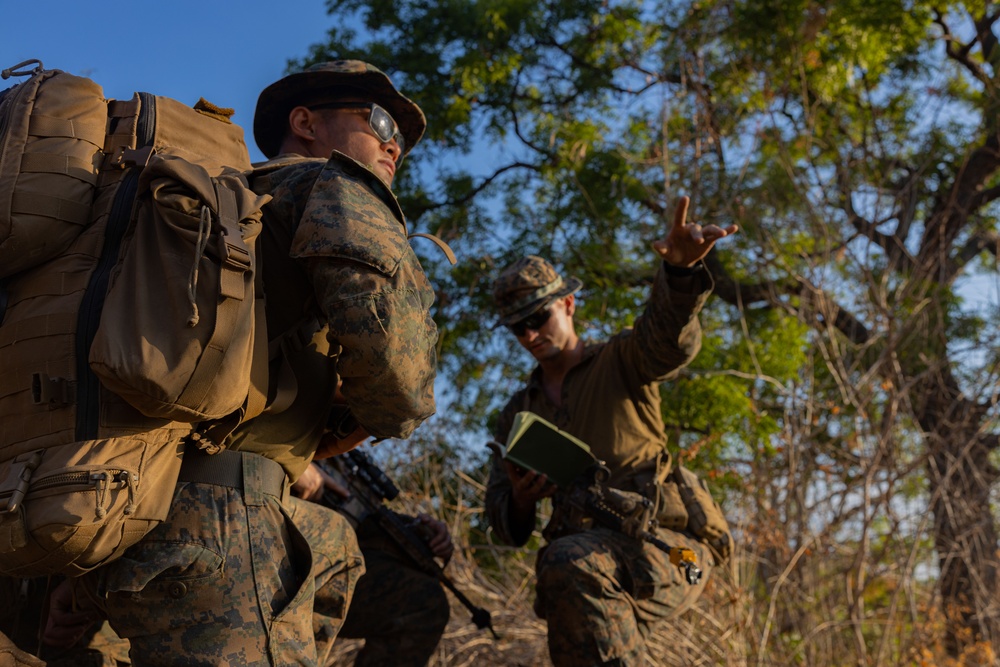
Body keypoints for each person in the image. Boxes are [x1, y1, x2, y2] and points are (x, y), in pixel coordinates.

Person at [57, 60, 440, 666]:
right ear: (305, 121)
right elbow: (397, 378)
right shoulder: (329, 185)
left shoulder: (215, 217)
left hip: (108, 507)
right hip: (224, 528)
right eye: (380, 119)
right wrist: (393, 403)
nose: (395, 142)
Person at [484, 197, 737, 666]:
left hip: (670, 548)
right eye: (517, 328)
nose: (529, 335)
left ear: (568, 303)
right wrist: (521, 498)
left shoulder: (623, 359)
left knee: (567, 562)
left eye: (539, 318)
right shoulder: (518, 413)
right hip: (585, 561)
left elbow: (668, 343)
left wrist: (679, 277)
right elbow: (504, 525)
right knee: (568, 573)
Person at [292, 460, 452, 667]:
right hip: (263, 529)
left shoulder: (341, 449)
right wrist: (292, 465)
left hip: (324, 551)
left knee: (425, 601)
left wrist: (418, 533)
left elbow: (365, 518)